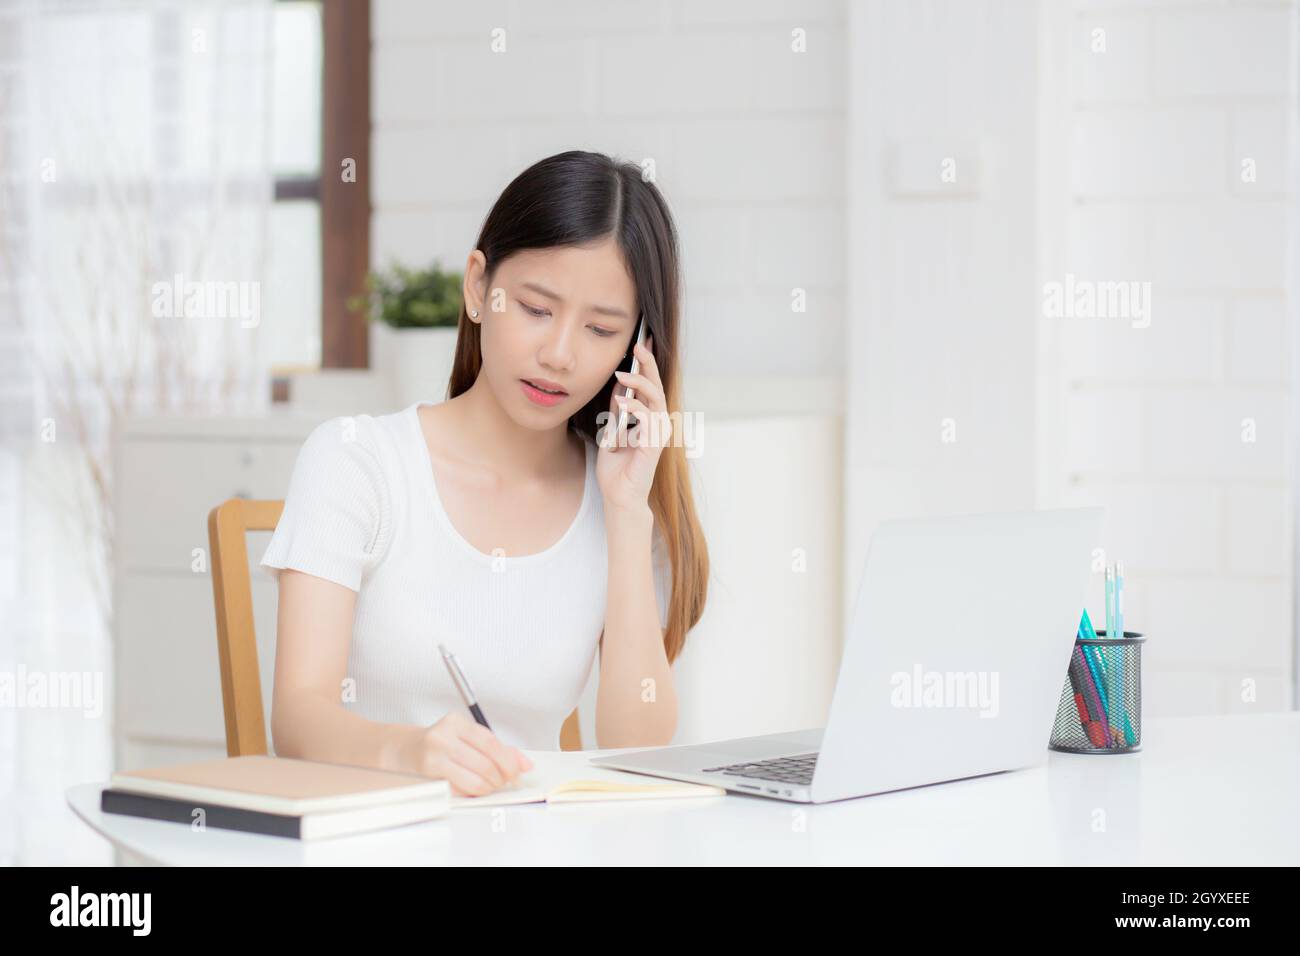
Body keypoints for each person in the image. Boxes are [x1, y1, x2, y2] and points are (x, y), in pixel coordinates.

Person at [261, 150, 709, 797]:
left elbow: (636, 747)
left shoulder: (619, 503)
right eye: (535, 308)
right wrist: (411, 751)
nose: (559, 355)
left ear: (637, 348)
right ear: (479, 288)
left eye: (601, 328)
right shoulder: (357, 462)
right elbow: (298, 720)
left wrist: (627, 511)